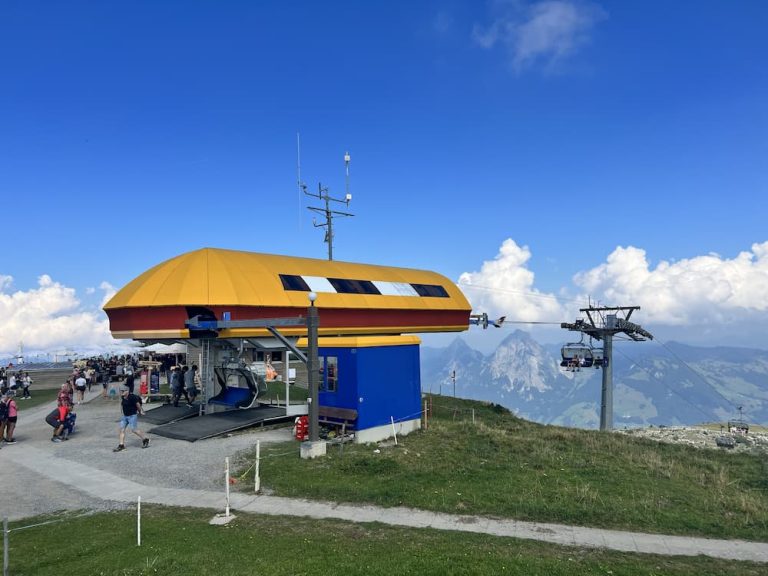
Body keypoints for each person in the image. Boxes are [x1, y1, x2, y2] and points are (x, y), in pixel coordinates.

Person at [114, 385, 150, 452]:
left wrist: (140, 412)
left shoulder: (132, 397)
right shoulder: (123, 397)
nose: (121, 392)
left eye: (123, 391)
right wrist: (122, 413)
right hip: (125, 416)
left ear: (127, 391)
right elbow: (122, 405)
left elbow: (138, 405)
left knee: (134, 430)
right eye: (121, 391)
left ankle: (145, 439)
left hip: (132, 416)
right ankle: (121, 445)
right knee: (121, 430)